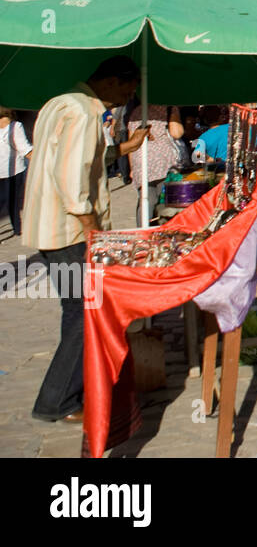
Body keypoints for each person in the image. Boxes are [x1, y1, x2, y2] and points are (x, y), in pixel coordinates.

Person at [24, 56, 148, 423]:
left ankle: (69, 392)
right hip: (69, 232)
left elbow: (85, 156)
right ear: (110, 82)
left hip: (52, 228)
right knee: (84, 313)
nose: (128, 96)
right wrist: (92, 230)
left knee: (77, 312)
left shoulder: (61, 103)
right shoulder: (83, 113)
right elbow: (73, 177)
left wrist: (127, 147)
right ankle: (57, 400)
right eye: (127, 88)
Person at [127, 102, 184, 225]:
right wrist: (175, 113)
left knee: (146, 200)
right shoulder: (169, 108)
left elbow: (131, 142)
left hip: (140, 159)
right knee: (165, 201)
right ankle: (162, 229)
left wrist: (132, 167)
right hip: (163, 161)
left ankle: (142, 231)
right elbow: (176, 133)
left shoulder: (137, 111)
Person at [0, 105, 33, 238]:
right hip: (13, 171)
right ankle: (17, 228)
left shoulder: (14, 127)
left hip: (9, 170)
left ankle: (18, 228)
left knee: (8, 200)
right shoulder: (15, 127)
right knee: (12, 201)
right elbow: (24, 149)